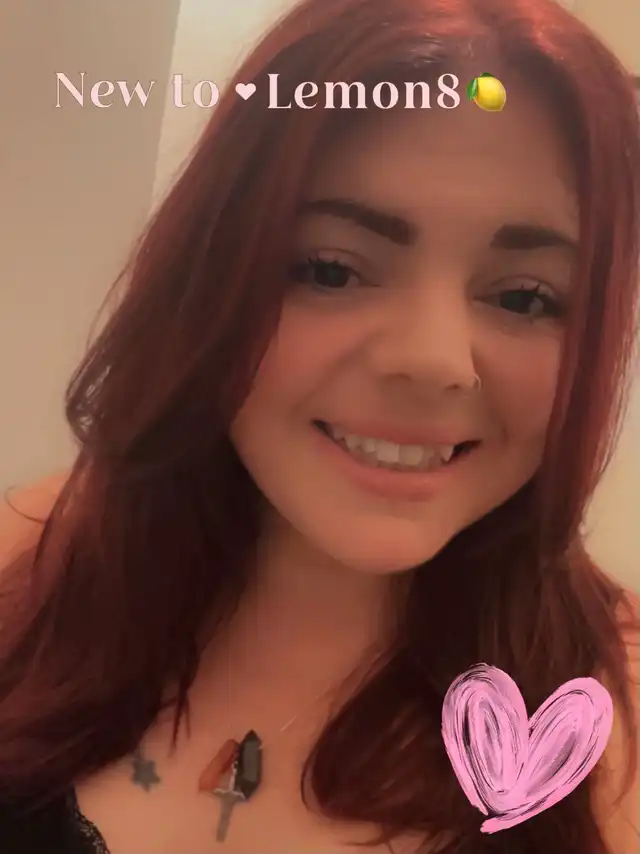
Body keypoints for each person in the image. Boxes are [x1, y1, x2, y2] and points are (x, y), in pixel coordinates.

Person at [0, 0, 639, 851]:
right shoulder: (29, 566)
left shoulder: (612, 730)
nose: (435, 361)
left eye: (525, 297)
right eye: (332, 270)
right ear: (210, 280)